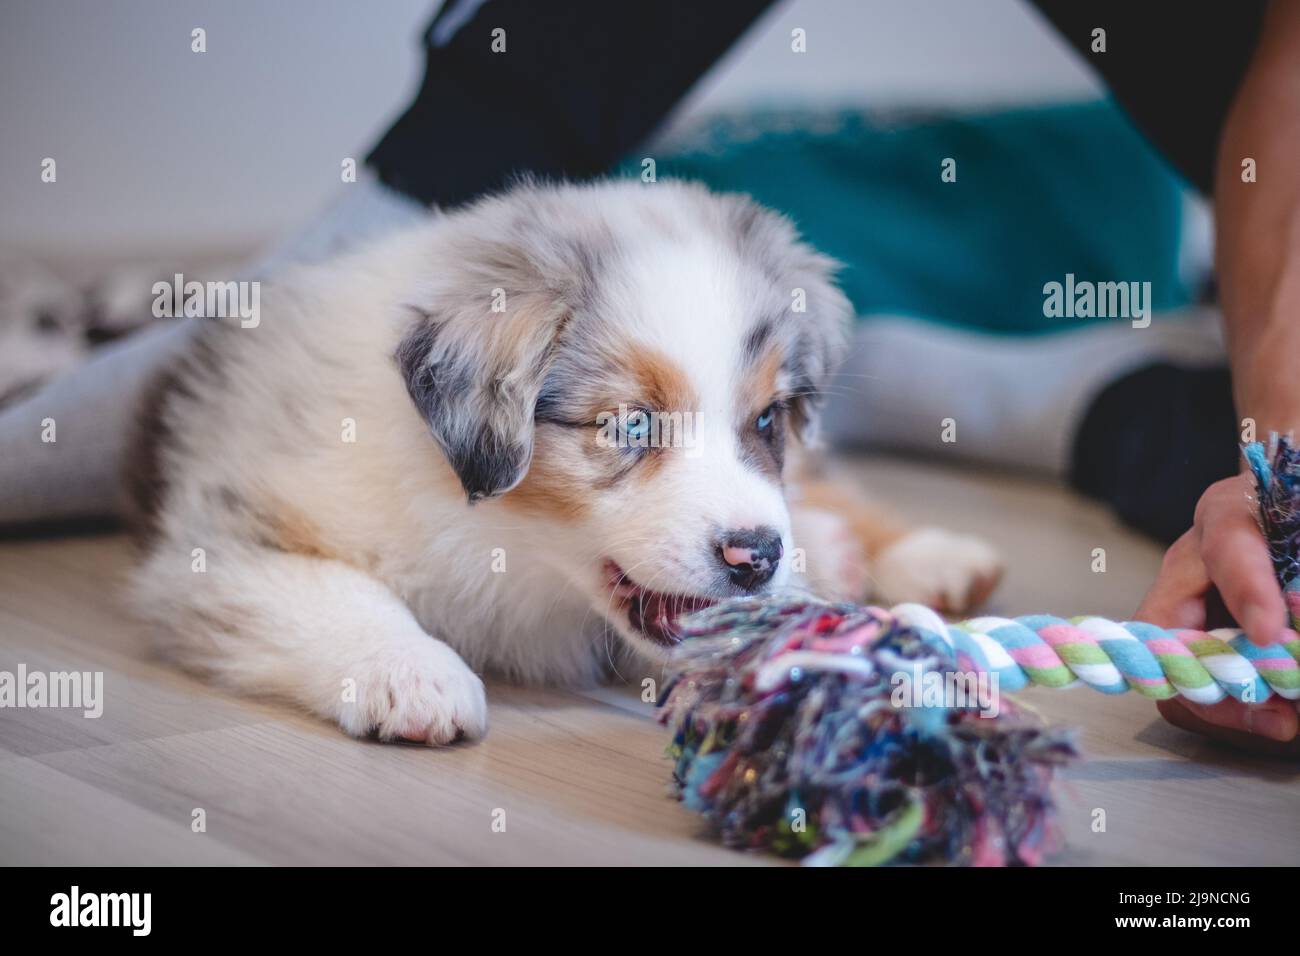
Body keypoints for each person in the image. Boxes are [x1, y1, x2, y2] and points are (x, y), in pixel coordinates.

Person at [2, 1, 1295, 750]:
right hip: (352, 357)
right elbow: (214, 565)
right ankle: (298, 269)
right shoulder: (429, 385)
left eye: (765, 430)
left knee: (761, 505)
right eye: (629, 426)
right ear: (480, 400)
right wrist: (363, 646)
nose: (747, 526)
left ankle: (1040, 398)